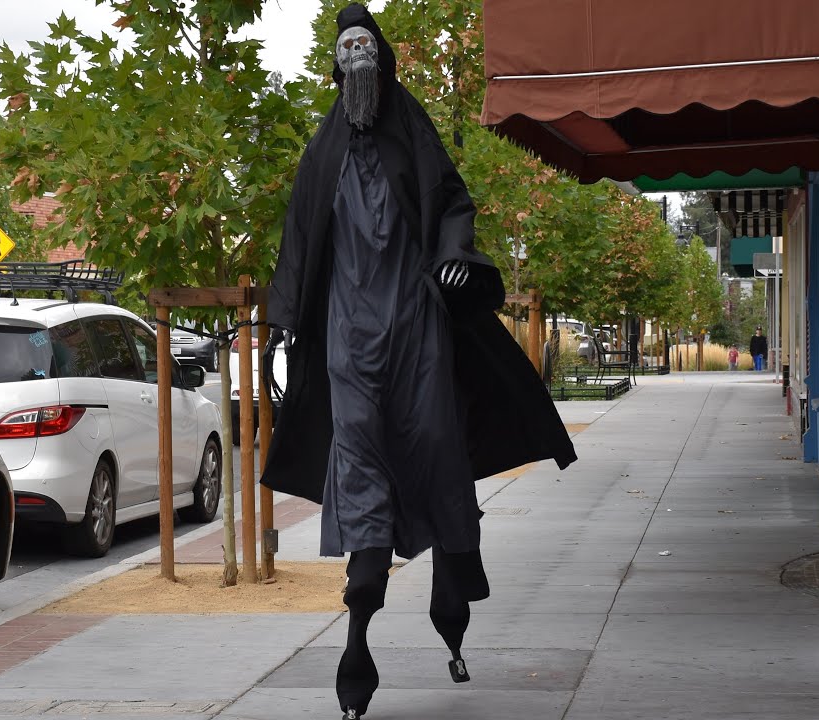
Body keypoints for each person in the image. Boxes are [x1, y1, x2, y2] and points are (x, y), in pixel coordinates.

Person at [257, 5, 577, 719]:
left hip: (417, 324)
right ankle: (361, 612)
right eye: (348, 51)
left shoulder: (414, 130)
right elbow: (300, 238)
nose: (358, 59)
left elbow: (454, 202)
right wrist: (282, 325)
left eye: (367, 47)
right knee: (360, 450)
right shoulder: (322, 150)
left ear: (383, 59)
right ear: (337, 68)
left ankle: (453, 576)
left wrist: (455, 258)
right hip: (347, 335)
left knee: (434, 443)